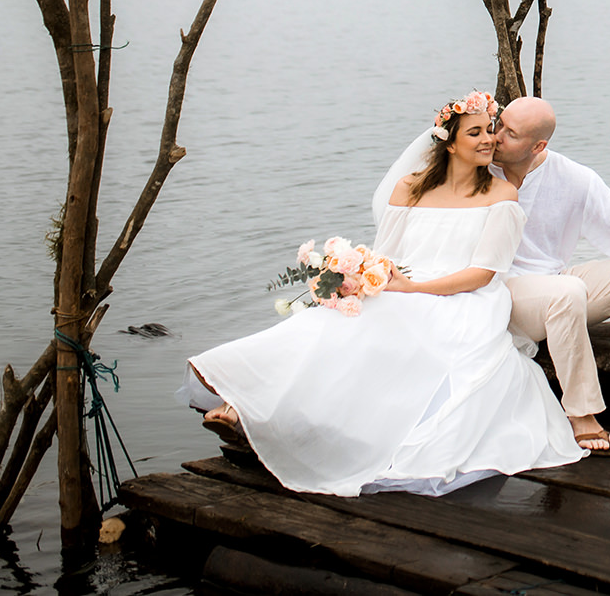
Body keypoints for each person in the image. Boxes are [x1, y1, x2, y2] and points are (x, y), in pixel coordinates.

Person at [186, 93, 583, 495]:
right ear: (449, 142)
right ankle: (238, 394)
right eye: (475, 132)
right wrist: (359, 277)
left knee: (385, 330)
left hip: (464, 299)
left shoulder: (501, 196)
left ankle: (265, 411)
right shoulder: (409, 188)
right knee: (327, 322)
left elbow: (482, 274)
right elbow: (387, 255)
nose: (488, 140)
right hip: (402, 286)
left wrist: (416, 288)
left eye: (491, 130)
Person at [375, 95, 610, 458]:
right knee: (566, 292)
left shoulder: (571, 178)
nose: (494, 138)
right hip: (496, 291)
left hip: (553, 281)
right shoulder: (477, 167)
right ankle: (582, 413)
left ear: (538, 145)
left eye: (508, 133)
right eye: (498, 126)